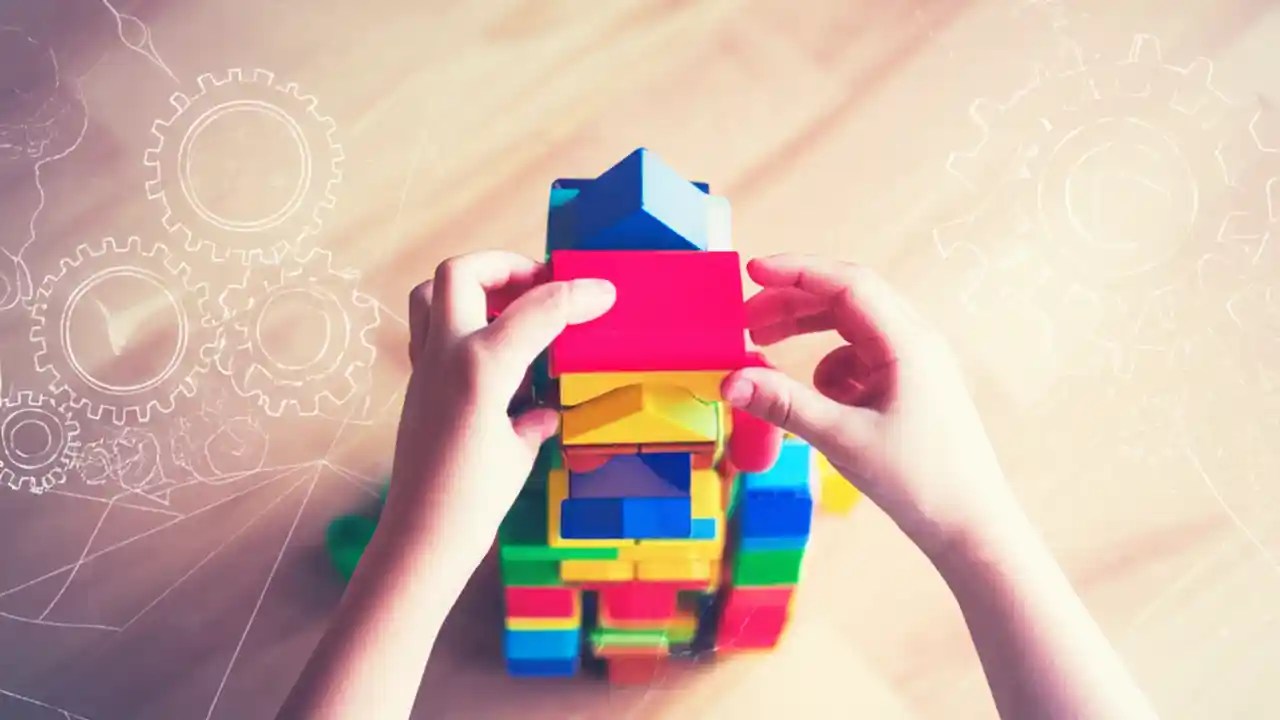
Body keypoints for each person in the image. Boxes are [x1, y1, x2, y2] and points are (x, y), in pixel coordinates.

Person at [277, 251, 1158, 720]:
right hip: (595, 501)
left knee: (742, 499)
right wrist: (971, 524)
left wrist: (413, 550)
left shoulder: (734, 429)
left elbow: (757, 451)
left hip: (693, 520)